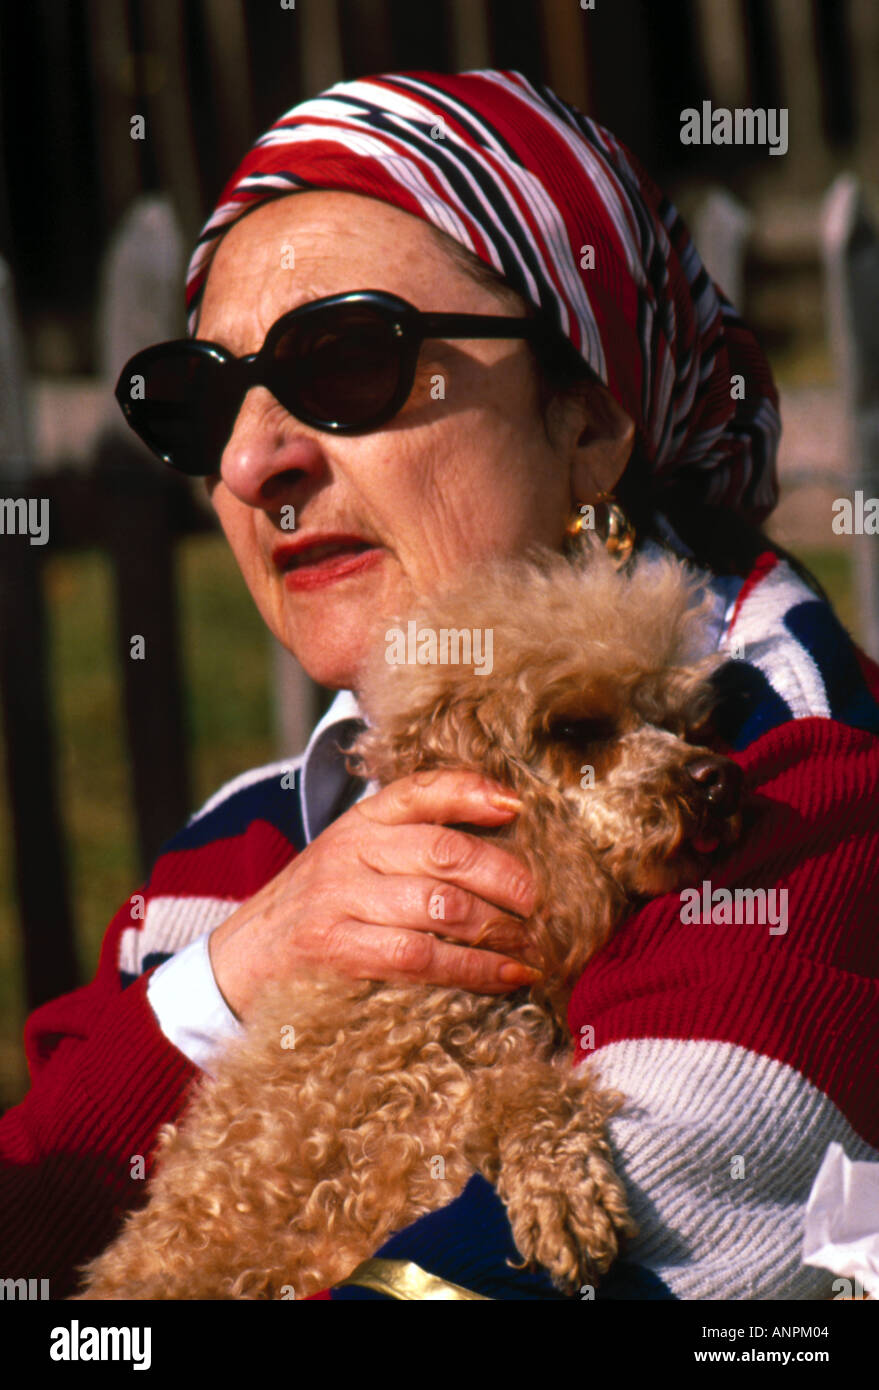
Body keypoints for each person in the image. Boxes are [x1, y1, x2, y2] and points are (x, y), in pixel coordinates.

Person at [2, 70, 877, 1301]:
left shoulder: (797, 786)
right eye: (205, 401)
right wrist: (232, 974)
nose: (254, 460)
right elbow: (37, 1209)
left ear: (589, 422)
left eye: (351, 358)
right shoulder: (235, 854)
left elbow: (612, 1259)